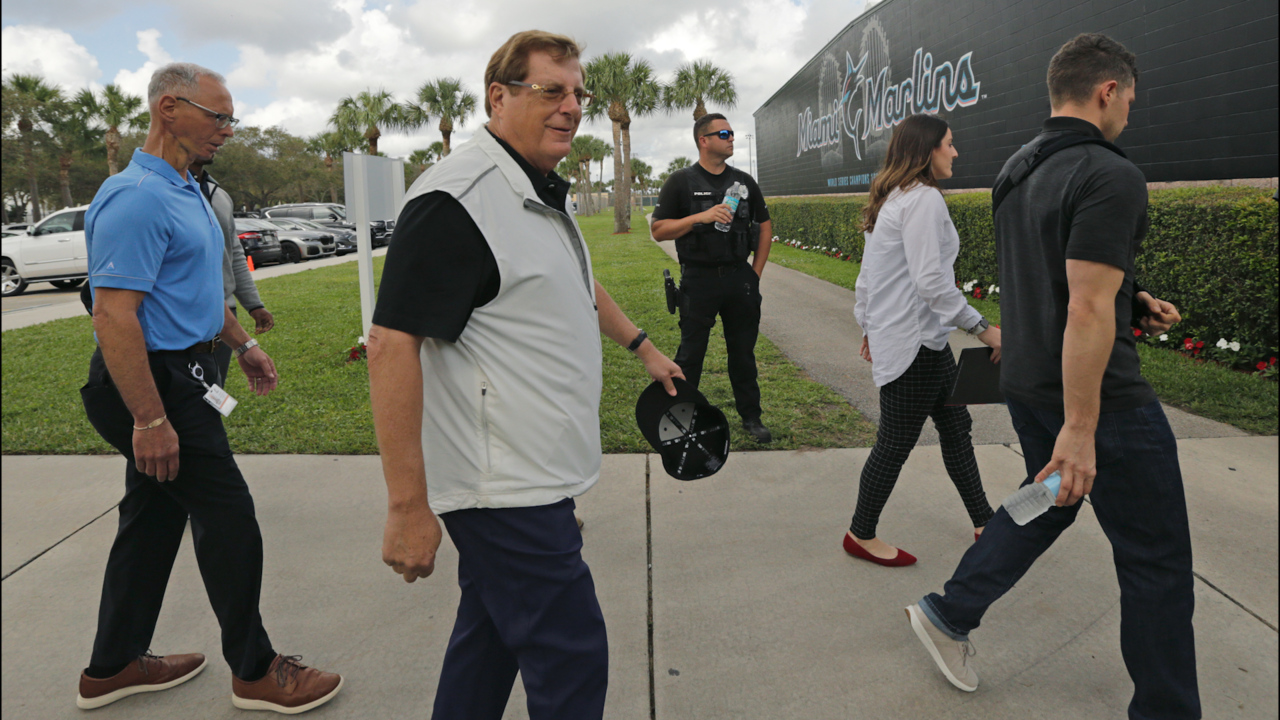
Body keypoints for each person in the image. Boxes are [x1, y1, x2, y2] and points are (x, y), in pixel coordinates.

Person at [367, 31, 683, 720]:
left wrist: (644, 348)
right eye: (552, 91)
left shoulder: (535, 184)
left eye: (578, 94)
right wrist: (406, 506)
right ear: (499, 96)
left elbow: (576, 284)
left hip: (532, 472)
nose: (572, 107)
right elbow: (392, 344)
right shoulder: (460, 200)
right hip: (502, 485)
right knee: (572, 655)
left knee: (489, 642)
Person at [905, 34, 1198, 720]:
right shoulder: (1110, 172)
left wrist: (1135, 298)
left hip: (1028, 379)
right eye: (1129, 96)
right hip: (1097, 399)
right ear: (1107, 91)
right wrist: (1082, 425)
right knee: (1156, 561)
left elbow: (1061, 275)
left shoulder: (1019, 168)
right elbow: (1089, 306)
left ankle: (950, 612)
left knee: (1049, 502)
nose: (1130, 109)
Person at [75, 62, 341, 715]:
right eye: (217, 116)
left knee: (153, 516)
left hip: (191, 370)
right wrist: (148, 419)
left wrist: (242, 344)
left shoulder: (187, 189)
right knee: (228, 515)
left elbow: (197, 290)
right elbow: (114, 314)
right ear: (169, 108)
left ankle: (111, 666)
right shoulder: (134, 195)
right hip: (154, 384)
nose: (228, 128)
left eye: (230, 118)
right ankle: (255, 670)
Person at [845, 114, 1000, 567]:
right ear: (928, 149)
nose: (955, 152)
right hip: (914, 345)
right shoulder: (924, 200)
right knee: (895, 441)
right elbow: (932, 282)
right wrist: (984, 328)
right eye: (949, 144)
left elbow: (867, 279)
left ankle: (984, 521)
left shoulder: (894, 198)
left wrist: (869, 326)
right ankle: (860, 533)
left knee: (955, 430)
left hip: (919, 342)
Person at [651, 113, 774, 443]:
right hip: (699, 280)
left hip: (739, 279)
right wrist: (701, 216)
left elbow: (764, 226)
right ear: (703, 141)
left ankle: (752, 418)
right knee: (691, 355)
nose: (731, 138)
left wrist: (755, 273)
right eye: (724, 133)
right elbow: (659, 230)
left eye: (732, 133)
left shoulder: (744, 182)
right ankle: (681, 420)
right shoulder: (681, 181)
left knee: (743, 353)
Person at [188, 155, 275, 384]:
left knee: (214, 390)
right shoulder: (158, 191)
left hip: (225, 314)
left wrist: (254, 305)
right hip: (184, 316)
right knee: (186, 399)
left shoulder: (218, 194)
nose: (225, 133)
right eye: (214, 119)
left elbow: (234, 253)